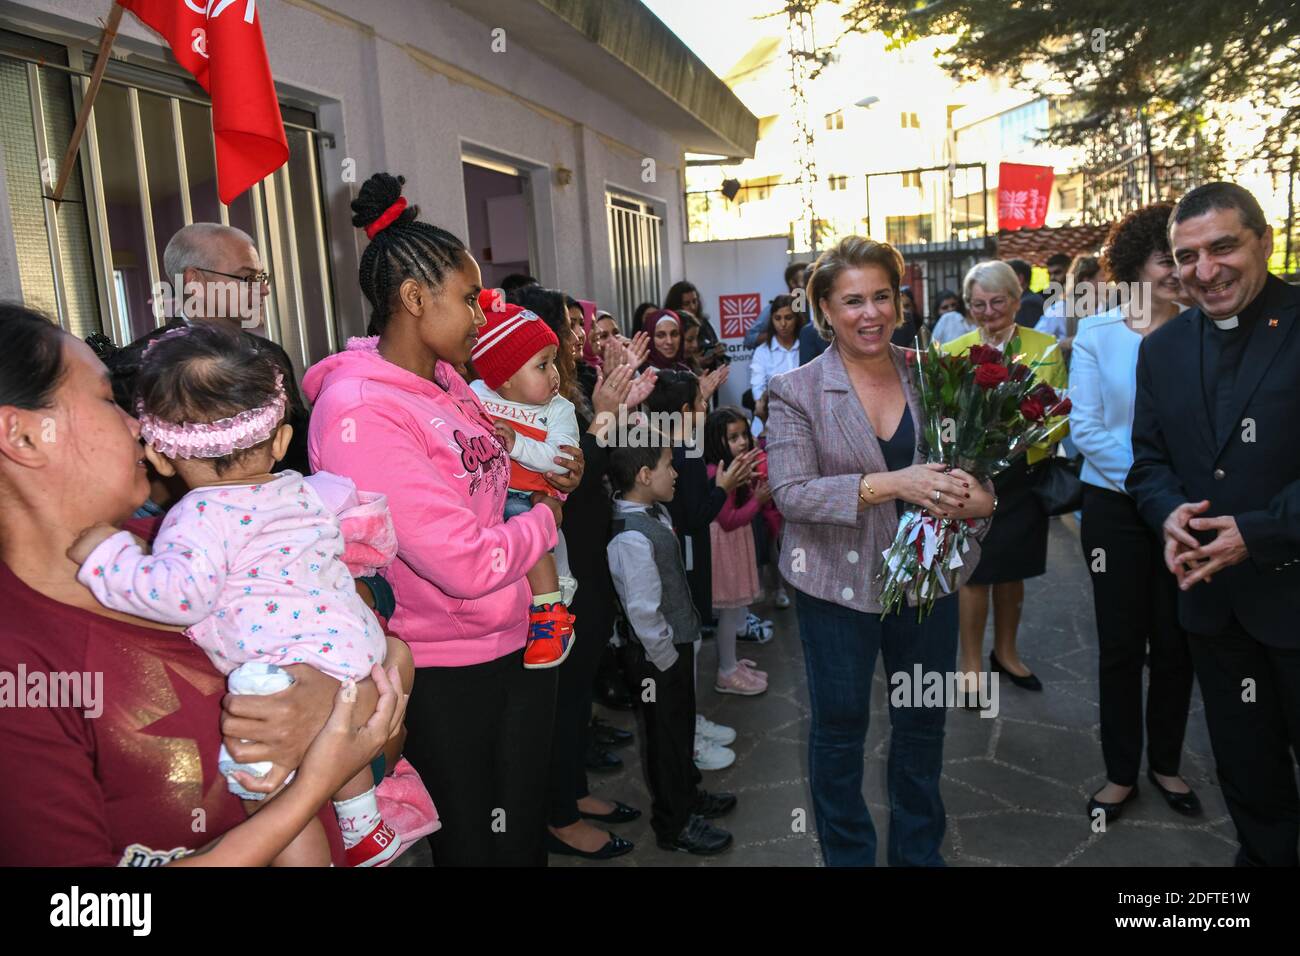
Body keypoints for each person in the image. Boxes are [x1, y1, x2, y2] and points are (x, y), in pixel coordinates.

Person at [0, 303, 407, 866]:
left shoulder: (178, 541)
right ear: (22, 437)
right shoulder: (19, 666)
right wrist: (315, 782)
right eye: (108, 400)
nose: (138, 425)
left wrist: (328, 698)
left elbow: (394, 658)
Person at [304, 172, 584, 867]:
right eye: (467, 300)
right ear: (413, 297)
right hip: (450, 667)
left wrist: (548, 476)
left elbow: (491, 473)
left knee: (516, 837)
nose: (481, 318)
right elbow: (464, 562)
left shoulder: (443, 379)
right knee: (482, 846)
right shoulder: (363, 411)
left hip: (510, 638)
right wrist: (548, 515)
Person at [767, 236, 995, 866]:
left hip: (927, 586)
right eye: (852, 301)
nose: (870, 313)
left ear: (900, 300)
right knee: (840, 734)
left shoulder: (937, 374)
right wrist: (893, 484)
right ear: (823, 309)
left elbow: (971, 466)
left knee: (922, 727)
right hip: (833, 590)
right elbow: (790, 492)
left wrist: (984, 501)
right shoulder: (796, 390)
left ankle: (919, 856)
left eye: (881, 297)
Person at [1127, 181, 1300, 866]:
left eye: (1223, 247)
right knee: (1250, 776)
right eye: (1187, 256)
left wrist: (1258, 532)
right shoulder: (1162, 349)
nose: (1204, 271)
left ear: (1262, 239)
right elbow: (1147, 464)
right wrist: (1167, 511)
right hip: (1214, 611)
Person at [1070, 202, 1199, 825]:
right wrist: (1153, 492)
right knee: (1121, 646)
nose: (1177, 270)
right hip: (1117, 511)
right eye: (1164, 258)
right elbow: (1085, 427)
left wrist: (1174, 500)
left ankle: (1166, 763)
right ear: (1133, 265)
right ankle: (1121, 773)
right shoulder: (1097, 334)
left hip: (1186, 513)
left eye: (1184, 258)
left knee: (1177, 643)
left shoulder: (1204, 329)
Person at [544, 358, 656, 860]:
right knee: (559, 703)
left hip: (586, 566)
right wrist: (604, 421)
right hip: (559, 577)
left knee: (575, 699)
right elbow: (570, 481)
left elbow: (597, 473)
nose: (572, 344)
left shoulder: (562, 401)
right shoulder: (515, 412)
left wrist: (615, 416)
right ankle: (559, 817)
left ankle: (573, 791)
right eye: (558, 338)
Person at [95, 223, 312, 477]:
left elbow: (298, 453)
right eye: (248, 278)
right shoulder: (137, 367)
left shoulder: (270, 356)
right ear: (194, 281)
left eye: (262, 278)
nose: (264, 290)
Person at [608, 439, 737, 855]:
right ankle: (674, 825)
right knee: (664, 740)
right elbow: (643, 611)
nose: (676, 473)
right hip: (655, 657)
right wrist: (666, 659)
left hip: (674, 646)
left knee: (680, 729)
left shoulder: (657, 512)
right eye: (669, 466)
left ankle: (688, 796)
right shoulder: (629, 537)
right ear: (645, 476)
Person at [944, 261, 1067, 695]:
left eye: (998, 302)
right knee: (974, 573)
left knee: (1013, 571)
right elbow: (944, 418)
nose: (988, 312)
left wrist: (1021, 437)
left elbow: (1058, 419)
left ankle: (1007, 654)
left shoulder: (1045, 346)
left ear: (1016, 301)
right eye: (978, 304)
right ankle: (971, 664)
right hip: (973, 480)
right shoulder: (955, 350)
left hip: (1024, 477)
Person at [469, 295, 579, 669]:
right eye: (542, 365)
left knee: (523, 523)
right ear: (505, 377)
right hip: (483, 492)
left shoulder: (560, 410)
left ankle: (550, 616)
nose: (555, 375)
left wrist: (517, 444)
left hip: (528, 493)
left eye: (553, 362)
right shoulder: (477, 396)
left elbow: (560, 458)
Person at [703, 407, 771, 697]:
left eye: (744, 434)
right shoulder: (717, 471)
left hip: (732, 543)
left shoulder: (733, 465)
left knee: (734, 611)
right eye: (733, 437)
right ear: (717, 440)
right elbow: (729, 520)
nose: (742, 441)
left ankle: (731, 664)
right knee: (729, 613)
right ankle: (726, 672)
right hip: (725, 545)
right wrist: (757, 500)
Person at [749, 294, 803, 438]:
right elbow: (757, 386)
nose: (783, 324)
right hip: (771, 418)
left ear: (797, 318)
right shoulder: (762, 352)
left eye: (788, 317)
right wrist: (760, 403)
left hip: (804, 417)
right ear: (771, 319)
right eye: (777, 318)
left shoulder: (806, 346)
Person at [1036, 254, 1104, 360]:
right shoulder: (1060, 309)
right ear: (1086, 280)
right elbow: (1037, 343)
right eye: (1102, 276)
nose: (1108, 280)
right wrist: (1066, 343)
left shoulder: (1105, 308)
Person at [744, 261, 810, 350]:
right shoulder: (776, 307)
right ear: (792, 283)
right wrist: (778, 333)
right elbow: (749, 339)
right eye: (806, 281)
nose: (811, 284)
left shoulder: (816, 308)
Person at [1007, 258, 1045, 328]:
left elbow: (1027, 335)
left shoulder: (1028, 304)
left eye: (1005, 278)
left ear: (1019, 279)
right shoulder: (1028, 300)